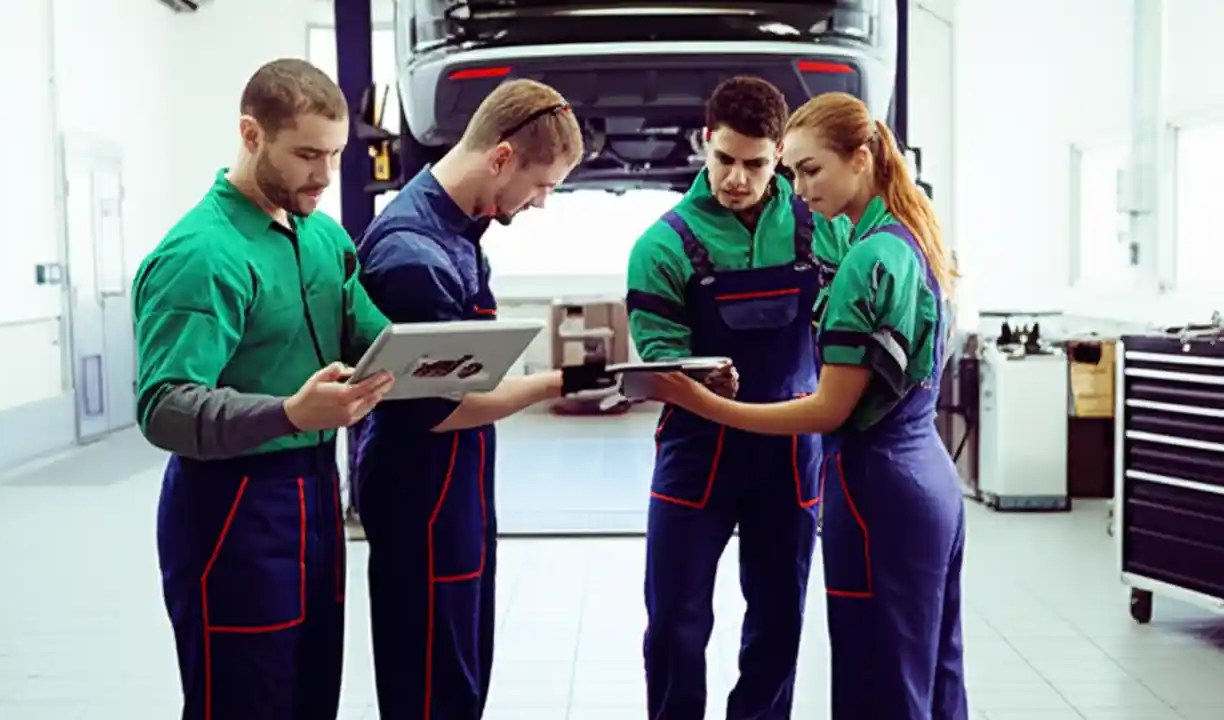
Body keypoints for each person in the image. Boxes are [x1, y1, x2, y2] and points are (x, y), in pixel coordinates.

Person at [644, 91, 969, 720]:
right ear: (704, 145)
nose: (797, 186)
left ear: (862, 156)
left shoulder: (855, 252)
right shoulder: (915, 238)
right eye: (795, 173)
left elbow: (829, 408)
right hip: (918, 474)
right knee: (928, 670)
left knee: (866, 667)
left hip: (857, 476)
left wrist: (709, 403)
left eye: (801, 169)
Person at [133, 58, 396, 720]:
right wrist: (289, 412)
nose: (325, 176)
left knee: (311, 691)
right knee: (244, 698)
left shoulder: (322, 235)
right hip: (232, 507)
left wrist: (449, 358)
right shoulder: (202, 254)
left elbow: (370, 336)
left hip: (314, 492)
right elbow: (164, 406)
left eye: (334, 154)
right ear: (251, 135)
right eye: (307, 154)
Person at [353, 78, 617, 718]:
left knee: (462, 668)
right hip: (421, 493)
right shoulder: (413, 257)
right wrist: (562, 382)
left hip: (457, 489)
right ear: (501, 158)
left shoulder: (457, 231)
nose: (542, 203)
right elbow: (438, 410)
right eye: (543, 185)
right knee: (431, 680)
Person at [626, 76, 823, 719]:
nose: (737, 178)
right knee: (675, 622)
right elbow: (656, 357)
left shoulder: (818, 227)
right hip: (698, 450)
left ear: (780, 158)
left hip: (792, 452)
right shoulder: (662, 245)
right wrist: (698, 379)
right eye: (725, 159)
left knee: (779, 615)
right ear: (704, 142)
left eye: (756, 164)